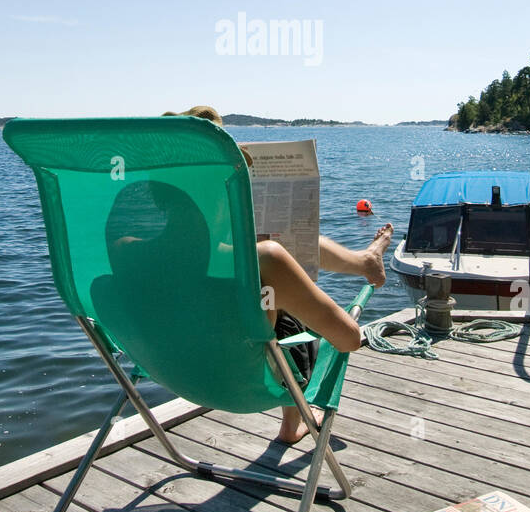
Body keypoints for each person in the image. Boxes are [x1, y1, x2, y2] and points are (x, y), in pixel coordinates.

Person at [166, 106, 393, 444]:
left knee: (271, 254)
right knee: (277, 284)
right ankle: (294, 422)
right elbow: (349, 340)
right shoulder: (264, 262)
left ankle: (362, 261)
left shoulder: (124, 250)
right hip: (246, 384)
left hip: (175, 374)